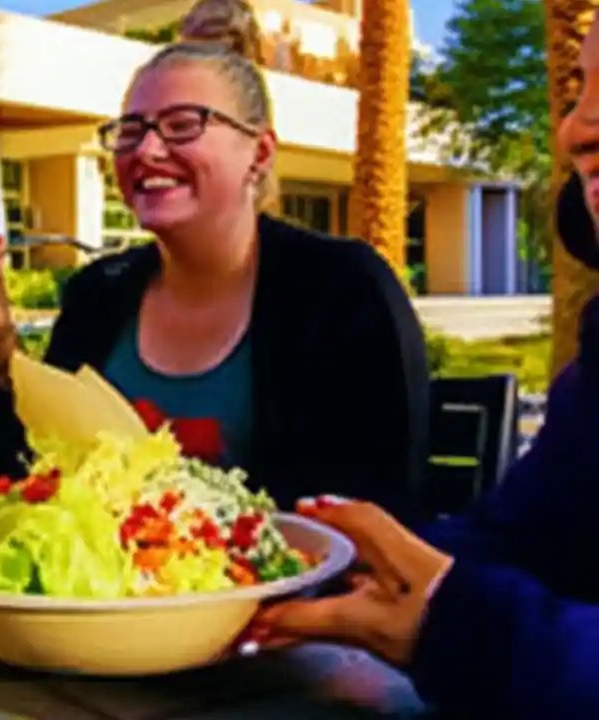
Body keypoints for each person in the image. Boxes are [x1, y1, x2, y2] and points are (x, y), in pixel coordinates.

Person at [0, 13, 428, 517]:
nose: (147, 150)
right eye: (131, 131)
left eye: (183, 125)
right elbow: (31, 473)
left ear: (258, 152)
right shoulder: (98, 295)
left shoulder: (342, 290)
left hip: (290, 589)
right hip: (109, 593)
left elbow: (376, 514)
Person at [251, 21, 599, 717]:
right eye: (580, 88)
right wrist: (325, 567)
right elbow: (517, 537)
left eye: (184, 123)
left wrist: (451, 618)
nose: (573, 130)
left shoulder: (340, 286)